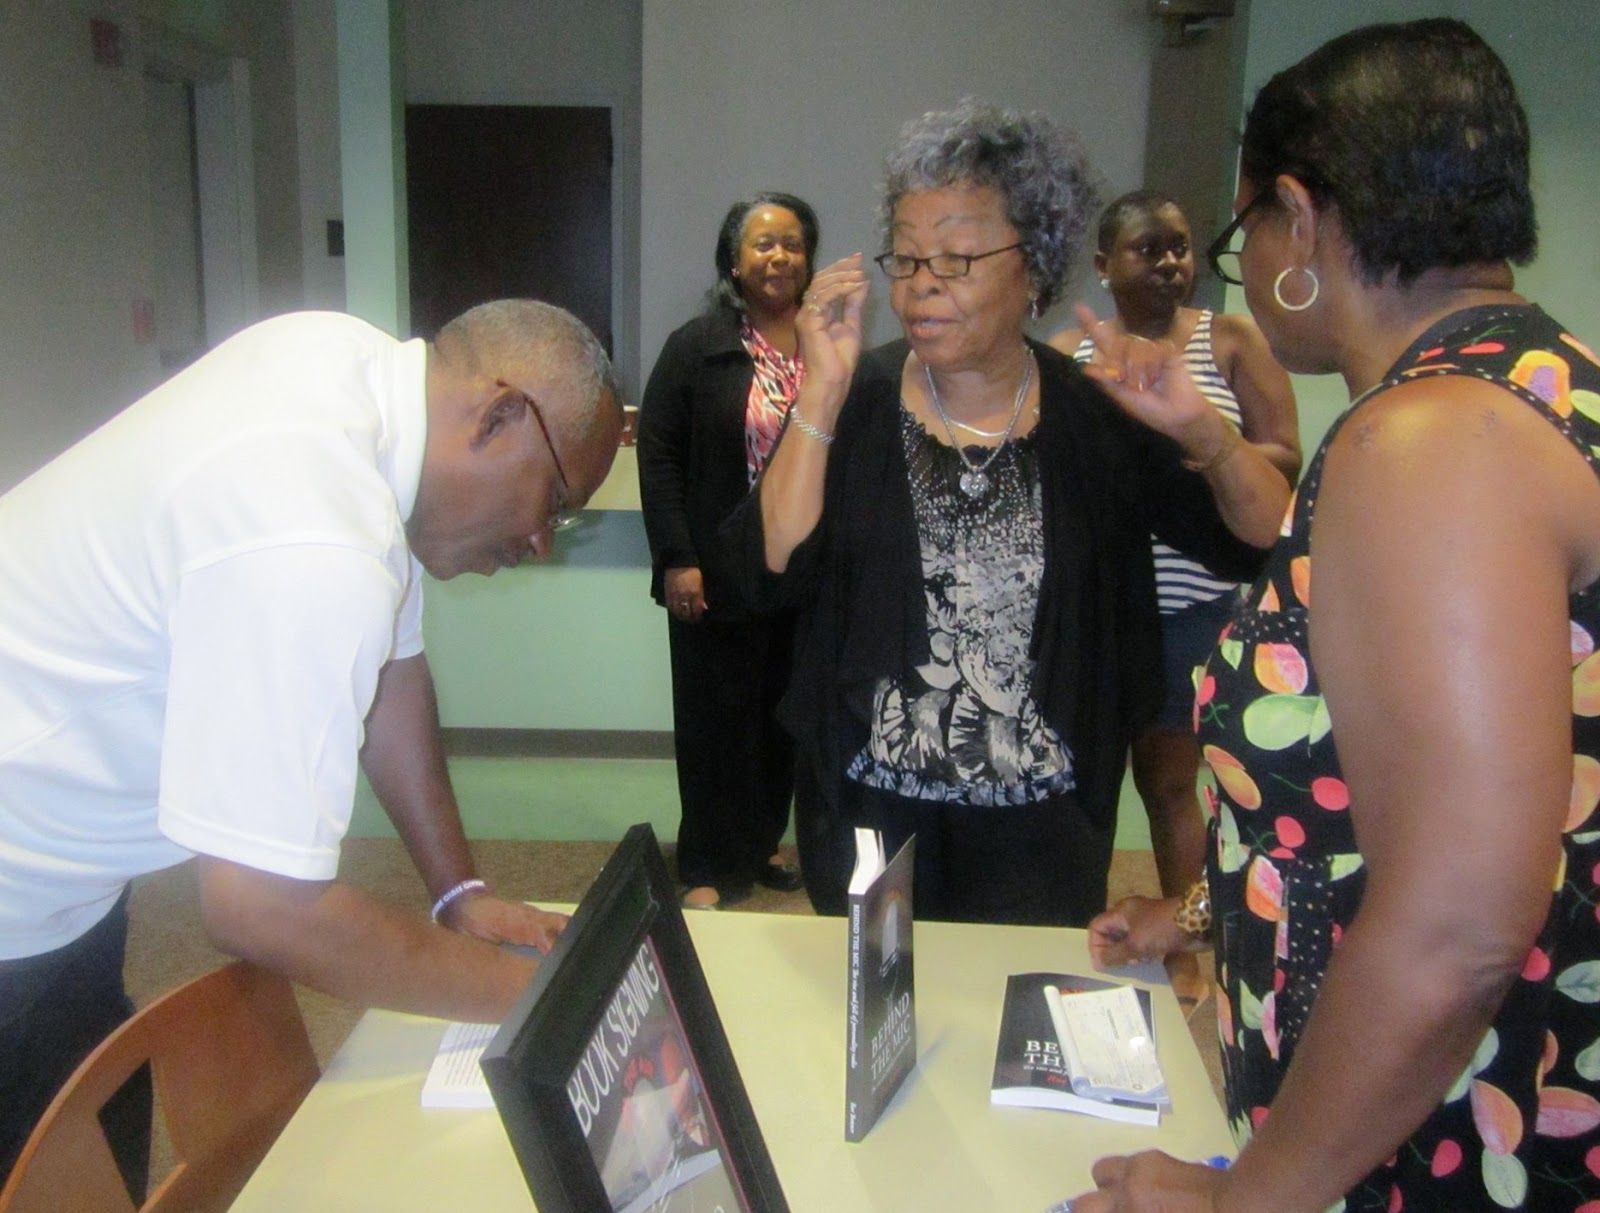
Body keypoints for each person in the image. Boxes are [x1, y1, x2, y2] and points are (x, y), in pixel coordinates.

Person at [1074, 18, 1600, 1212]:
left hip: (1450, 1137)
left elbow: (1461, 918)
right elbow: (1381, 791)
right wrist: (1210, 905)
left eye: (1241, 230)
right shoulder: (1531, 381)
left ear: (1298, 222)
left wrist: (1241, 1199)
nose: (1242, 262)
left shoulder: (1426, 442)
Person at [0, 300, 623, 1193]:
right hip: (15, 879)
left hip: (61, 860)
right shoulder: (316, 530)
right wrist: (524, 999)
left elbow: (395, 674)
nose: (538, 541)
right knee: (51, 1166)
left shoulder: (352, 379)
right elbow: (261, 906)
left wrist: (459, 891)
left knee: (93, 1132)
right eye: (554, 503)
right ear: (497, 414)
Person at [731, 100, 1283, 925]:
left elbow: (1261, 539)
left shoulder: (1096, 415)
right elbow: (764, 571)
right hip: (874, 817)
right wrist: (821, 389)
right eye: (909, 258)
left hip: (1043, 824)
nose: (923, 284)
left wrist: (1203, 426)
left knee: (1016, 1030)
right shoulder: (859, 399)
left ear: (1037, 265)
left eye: (958, 258)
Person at [1050, 193, 1298, 999]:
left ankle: (1185, 945)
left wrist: (1185, 447)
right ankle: (1077, 924)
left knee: (1170, 785)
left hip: (1199, 608)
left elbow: (1285, 458)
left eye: (1181, 248)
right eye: (1146, 249)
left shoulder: (1232, 340)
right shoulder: (1067, 356)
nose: (1168, 264)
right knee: (1078, 780)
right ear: (1102, 265)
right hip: (1099, 611)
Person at [638, 193, 818, 909]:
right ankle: (709, 861)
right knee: (716, 718)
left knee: (785, 718)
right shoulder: (697, 346)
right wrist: (677, 556)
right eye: (763, 244)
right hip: (717, 567)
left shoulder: (827, 347)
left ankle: (764, 837)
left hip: (805, 574)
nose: (780, 256)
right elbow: (658, 455)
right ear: (735, 262)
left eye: (794, 243)